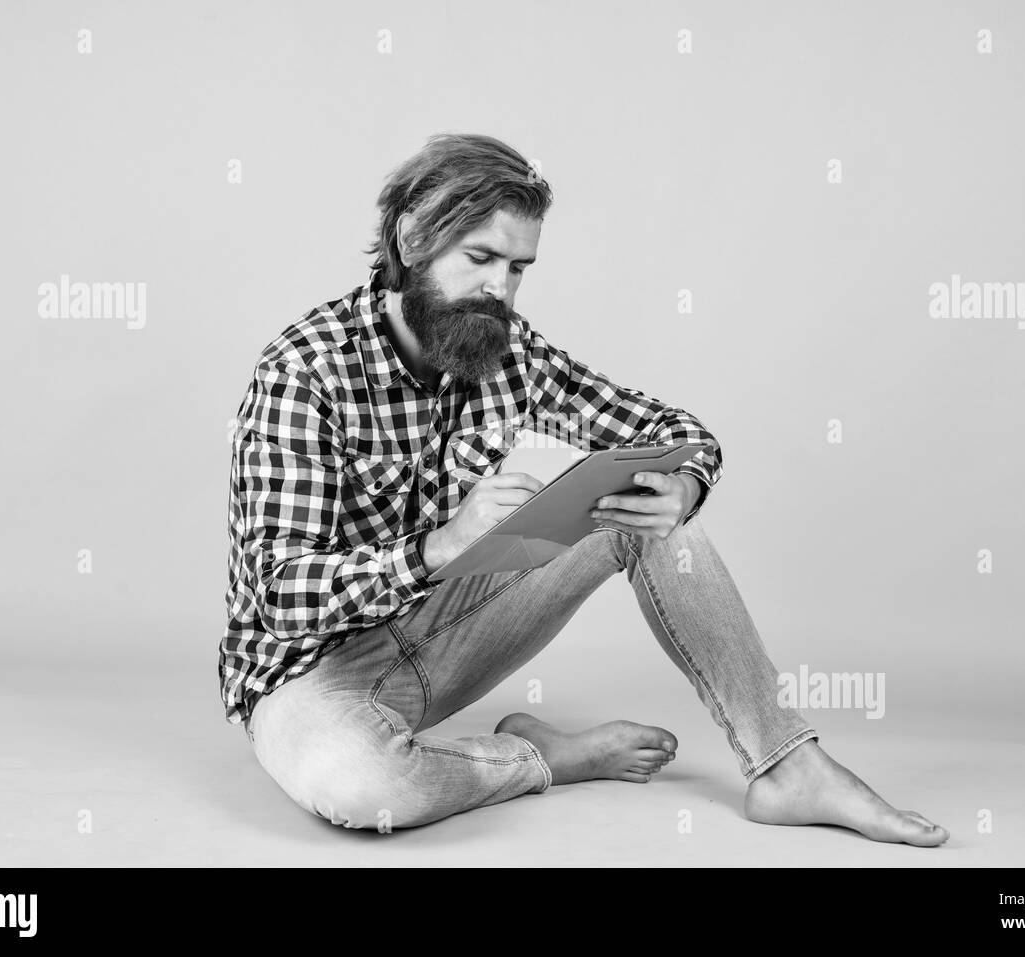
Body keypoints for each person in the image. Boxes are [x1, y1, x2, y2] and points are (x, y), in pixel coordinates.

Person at [219, 132, 949, 845]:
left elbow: (666, 427)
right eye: (480, 259)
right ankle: (543, 758)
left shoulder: (505, 347)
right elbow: (282, 593)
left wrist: (685, 485)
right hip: (308, 674)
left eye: (518, 268)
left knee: (651, 514)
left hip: (443, 635)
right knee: (362, 788)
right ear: (411, 240)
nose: (498, 290)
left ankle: (789, 765)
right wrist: (442, 546)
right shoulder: (304, 370)